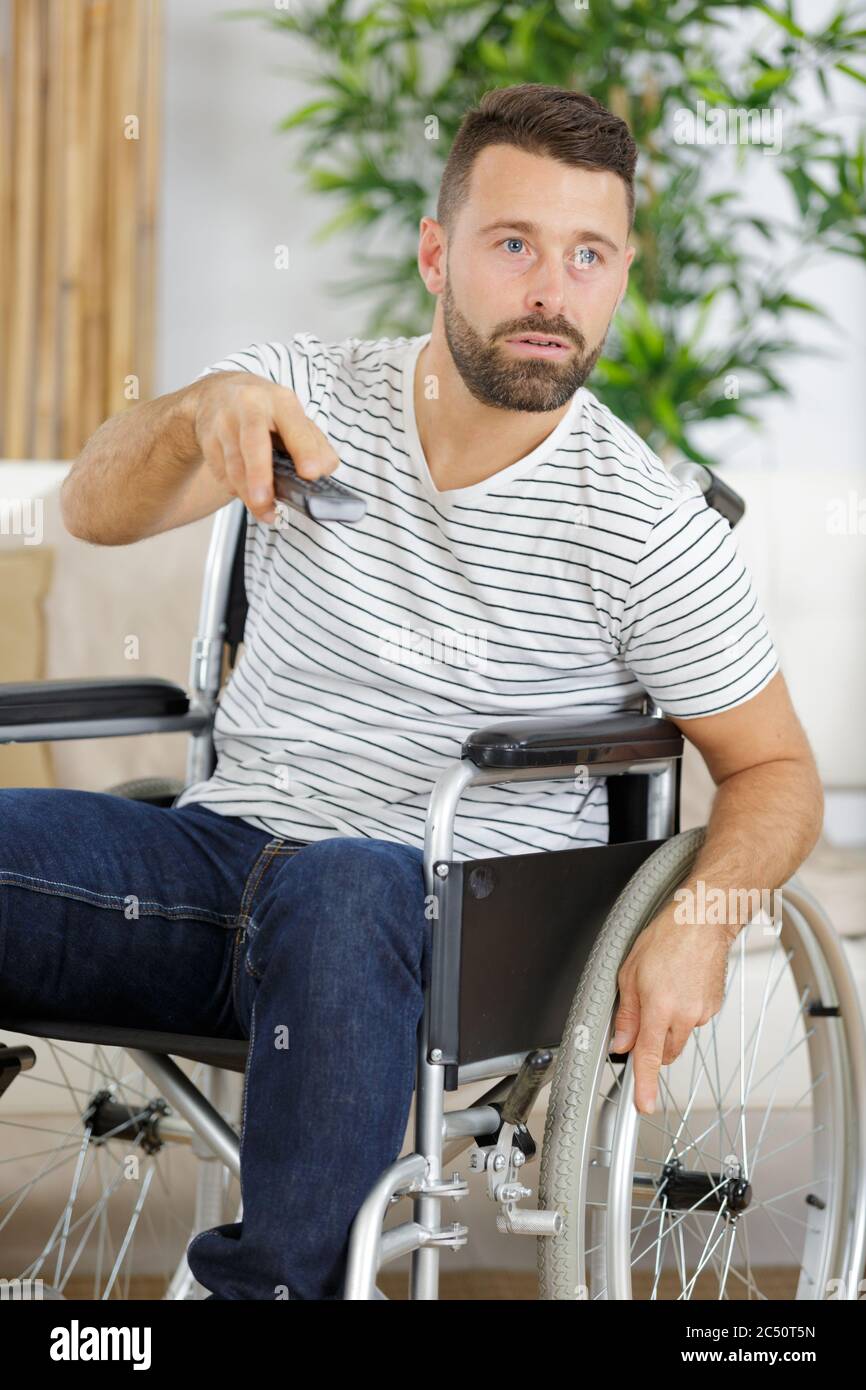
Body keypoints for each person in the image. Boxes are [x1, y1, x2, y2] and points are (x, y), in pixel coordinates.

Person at [0, 85, 822, 1300]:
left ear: (620, 274)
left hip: (445, 927)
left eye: (586, 254)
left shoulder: (645, 529)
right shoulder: (299, 396)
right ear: (435, 252)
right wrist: (189, 417)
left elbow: (774, 772)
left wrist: (697, 925)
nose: (550, 290)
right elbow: (92, 510)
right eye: (513, 245)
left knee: (349, 877)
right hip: (217, 868)